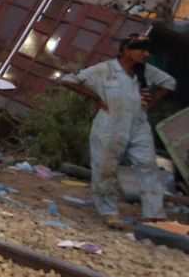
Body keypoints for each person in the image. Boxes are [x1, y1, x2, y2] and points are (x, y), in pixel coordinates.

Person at [62, 33, 175, 228]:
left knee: (148, 165)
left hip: (138, 124)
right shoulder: (105, 69)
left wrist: (150, 103)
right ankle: (109, 212)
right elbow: (69, 80)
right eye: (141, 50)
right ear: (126, 51)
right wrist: (96, 98)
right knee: (105, 167)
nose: (146, 54)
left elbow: (169, 83)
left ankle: (154, 214)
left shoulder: (146, 72)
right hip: (109, 125)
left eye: (148, 50)